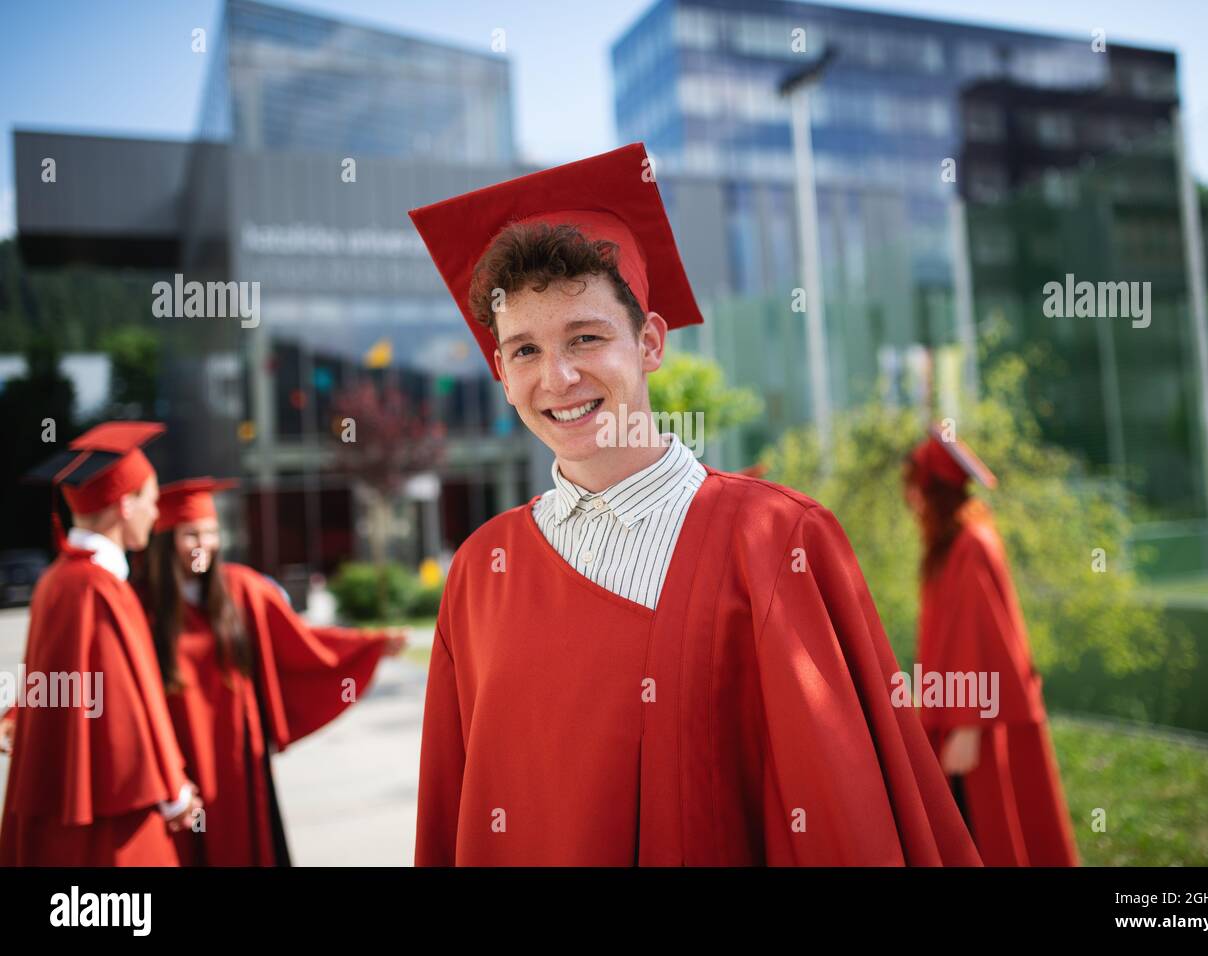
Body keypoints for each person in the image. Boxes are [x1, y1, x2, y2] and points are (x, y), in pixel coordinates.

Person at [406, 142, 981, 866]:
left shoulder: (775, 537)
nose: (558, 376)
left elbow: (843, 808)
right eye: (524, 350)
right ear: (500, 370)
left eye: (587, 337)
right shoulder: (479, 572)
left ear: (650, 343)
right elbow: (452, 809)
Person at [134, 477, 406, 866]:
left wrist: (370, 644)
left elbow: (304, 642)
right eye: (190, 534)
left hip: (237, 756)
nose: (203, 545)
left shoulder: (241, 590)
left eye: (210, 533)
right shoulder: (141, 604)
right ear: (163, 541)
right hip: (178, 754)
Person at [0, 422, 201, 865]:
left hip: (62, 796)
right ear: (125, 504)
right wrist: (173, 790)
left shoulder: (57, 579)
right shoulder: (100, 588)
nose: (156, 514)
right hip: (112, 811)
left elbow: (51, 678)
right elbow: (126, 706)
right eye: (150, 501)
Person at [904, 427, 1079, 866]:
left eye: (915, 489)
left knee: (987, 832)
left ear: (933, 490)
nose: (911, 501)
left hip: (977, 723)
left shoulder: (971, 545)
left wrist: (967, 727)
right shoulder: (954, 544)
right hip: (960, 712)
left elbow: (982, 636)